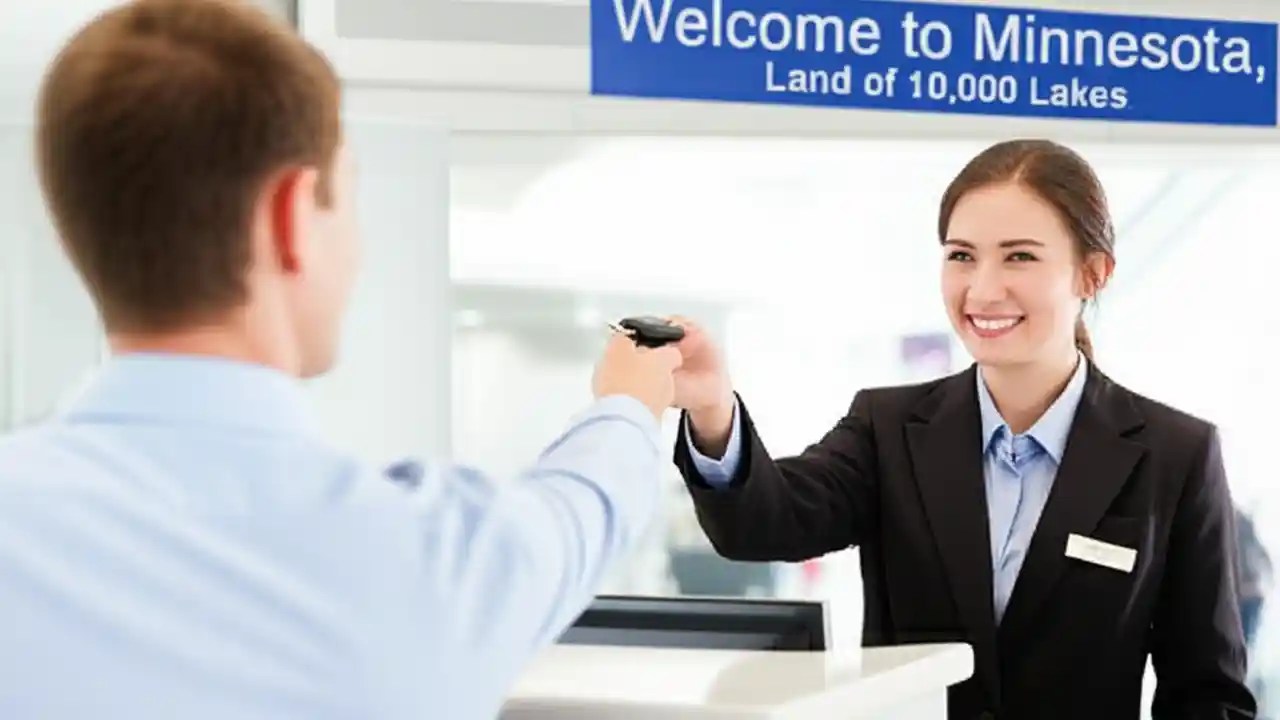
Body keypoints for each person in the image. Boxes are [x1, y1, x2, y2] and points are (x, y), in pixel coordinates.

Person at [0, 1, 681, 718]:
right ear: (292, 216)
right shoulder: (440, 565)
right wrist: (630, 401)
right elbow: (581, 508)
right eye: (347, 199)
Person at [668, 139, 1256, 719]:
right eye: (962, 256)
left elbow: (1208, 694)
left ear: (1092, 274)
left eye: (1019, 257)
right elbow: (765, 524)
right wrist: (712, 409)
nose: (983, 290)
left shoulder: (1174, 455)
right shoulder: (889, 429)